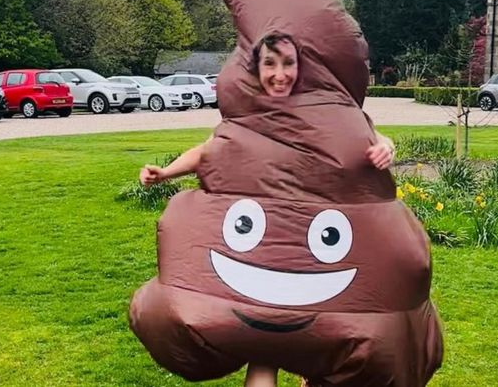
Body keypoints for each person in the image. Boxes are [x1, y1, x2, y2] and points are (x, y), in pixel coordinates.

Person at [138, 32, 395, 387]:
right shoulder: (248, 115)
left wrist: (385, 146)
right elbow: (209, 150)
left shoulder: (322, 109)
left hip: (313, 242)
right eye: (270, 64)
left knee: (317, 329)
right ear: (256, 69)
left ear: (300, 68)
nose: (279, 74)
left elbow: (367, 133)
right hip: (266, 244)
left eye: (288, 64)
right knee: (265, 344)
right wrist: (166, 172)